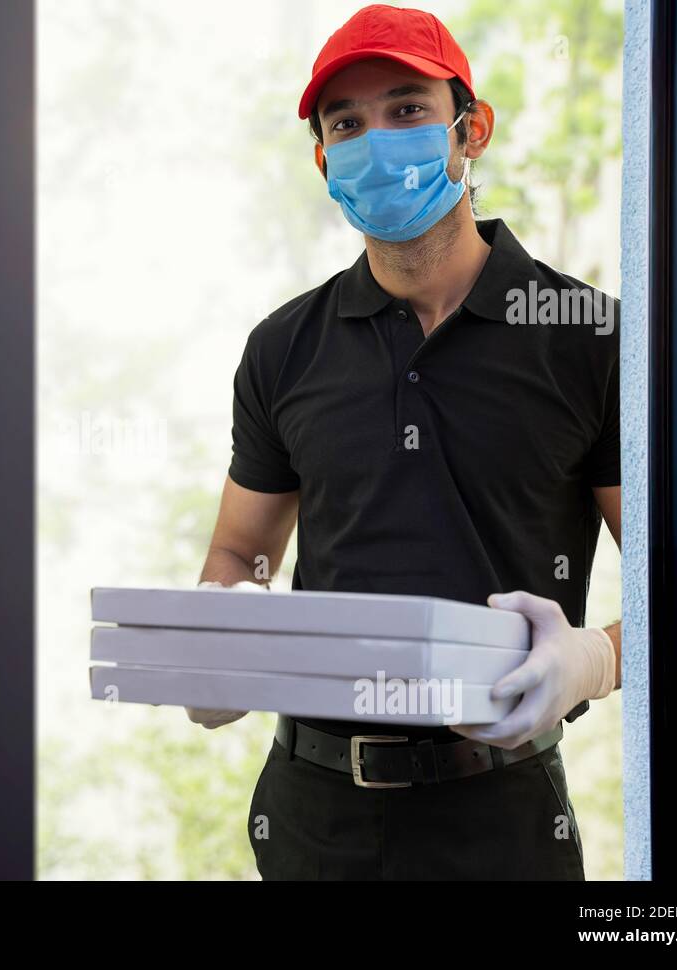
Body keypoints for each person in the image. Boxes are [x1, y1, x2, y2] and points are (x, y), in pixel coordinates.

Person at [190, 4, 621, 880]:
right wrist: (216, 642)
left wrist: (596, 658)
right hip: (310, 816)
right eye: (345, 124)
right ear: (323, 161)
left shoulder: (587, 336)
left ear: (474, 131)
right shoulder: (284, 347)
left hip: (504, 821)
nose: (375, 141)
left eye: (407, 109)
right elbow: (240, 551)